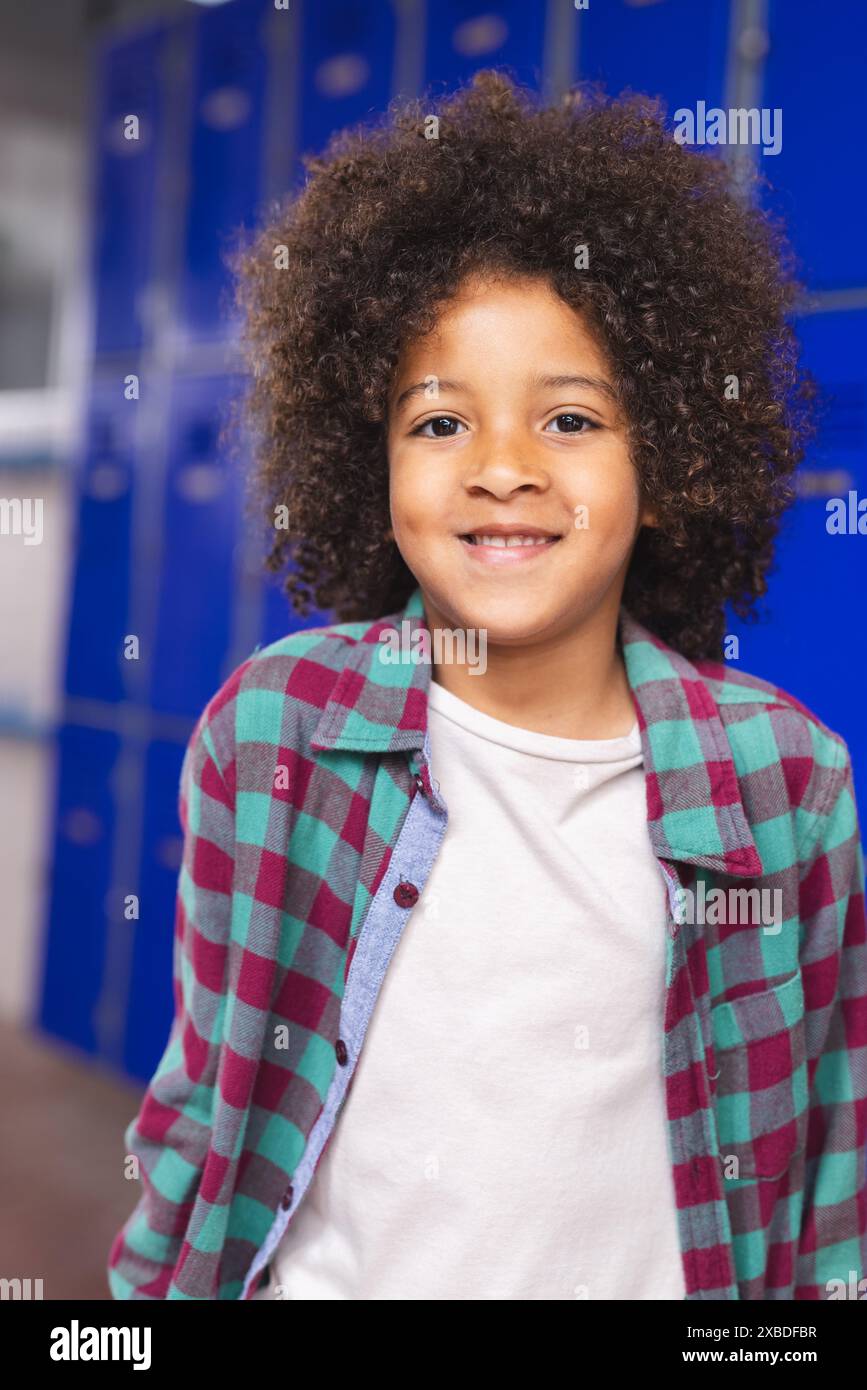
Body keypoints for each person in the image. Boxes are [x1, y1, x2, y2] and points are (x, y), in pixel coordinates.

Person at [108, 70, 867, 1301]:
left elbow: (832, 1157)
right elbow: (208, 1094)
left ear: (666, 463)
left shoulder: (786, 781)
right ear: (371, 464)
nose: (503, 468)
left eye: (570, 421)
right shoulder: (271, 731)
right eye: (440, 423)